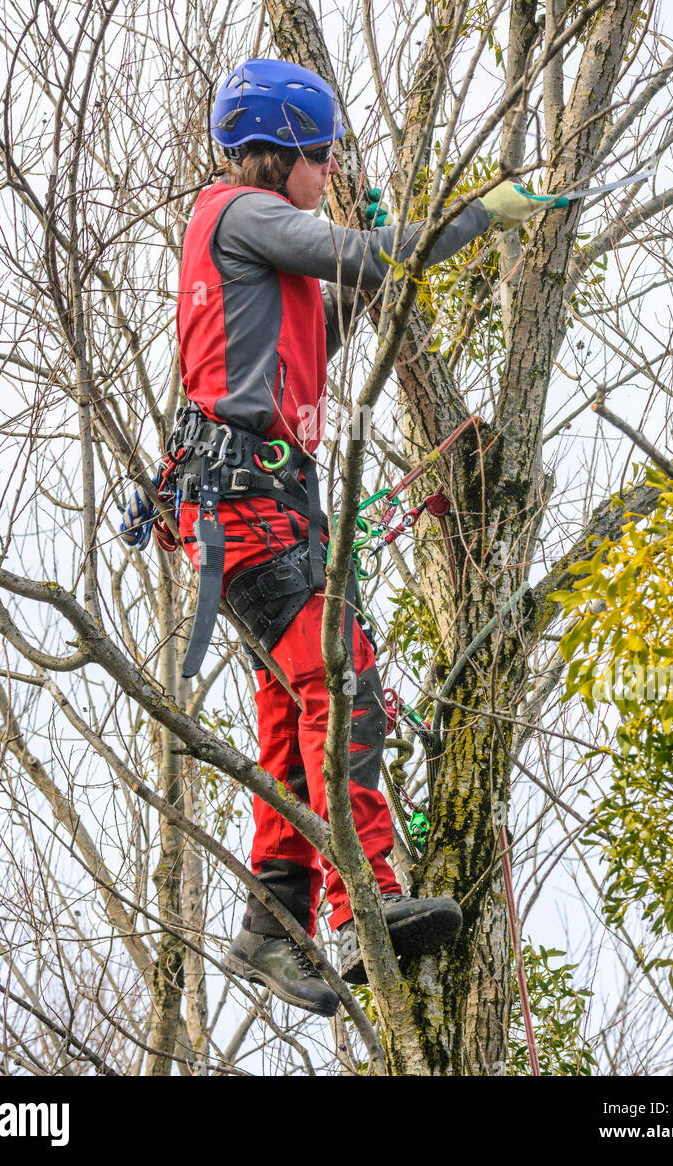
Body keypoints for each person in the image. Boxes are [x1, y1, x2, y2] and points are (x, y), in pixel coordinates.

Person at [125, 57, 522, 1017]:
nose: (331, 170)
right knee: (341, 679)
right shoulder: (239, 209)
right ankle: (364, 902)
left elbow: (314, 327)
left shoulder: (256, 238)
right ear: (282, 156)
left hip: (263, 503)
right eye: (322, 157)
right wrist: (483, 213)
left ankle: (273, 923)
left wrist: (368, 272)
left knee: (290, 712)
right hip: (245, 506)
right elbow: (366, 255)